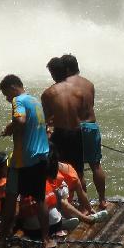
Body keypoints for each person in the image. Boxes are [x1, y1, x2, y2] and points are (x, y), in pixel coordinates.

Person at [0, 74, 56, 248]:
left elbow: (20, 120)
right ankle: (47, 240)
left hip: (23, 160)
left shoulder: (18, 101)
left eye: (6, 94)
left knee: (11, 198)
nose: (7, 99)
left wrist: (9, 128)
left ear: (13, 88)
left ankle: (1, 236)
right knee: (39, 199)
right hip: (42, 156)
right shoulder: (35, 101)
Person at [40, 56, 93, 214]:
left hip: (60, 134)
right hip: (77, 133)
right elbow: (82, 113)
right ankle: (84, 207)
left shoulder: (48, 93)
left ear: (53, 74)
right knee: (79, 172)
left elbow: (46, 120)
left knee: (57, 171)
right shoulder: (78, 91)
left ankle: (60, 206)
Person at [61, 54, 109, 210]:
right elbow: (90, 104)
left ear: (67, 69)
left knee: (77, 168)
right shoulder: (89, 84)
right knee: (96, 165)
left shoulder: (65, 85)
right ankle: (102, 200)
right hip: (92, 126)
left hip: (76, 128)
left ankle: (84, 205)